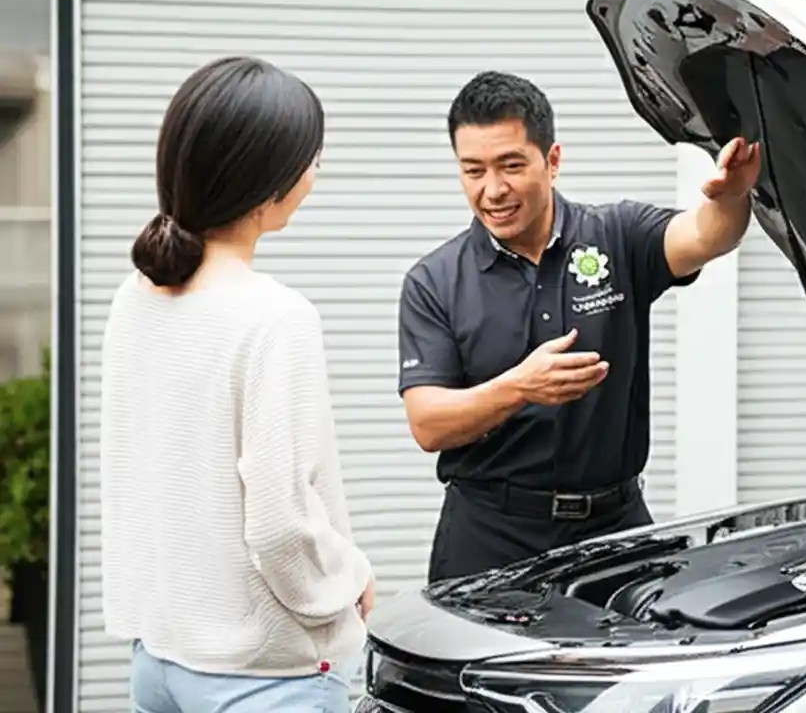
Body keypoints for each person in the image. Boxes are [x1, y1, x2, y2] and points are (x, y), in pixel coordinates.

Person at [397, 70, 760, 581]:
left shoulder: (617, 236)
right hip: (489, 533)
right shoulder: (434, 281)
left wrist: (733, 196)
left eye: (511, 165)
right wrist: (519, 387)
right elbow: (428, 423)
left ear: (553, 161)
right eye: (472, 170)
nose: (493, 190)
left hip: (614, 529)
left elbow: (705, 235)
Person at [98, 56, 375, 713]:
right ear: (266, 184)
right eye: (310, 158)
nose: (316, 173)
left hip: (160, 657)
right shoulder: (276, 317)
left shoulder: (134, 298)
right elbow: (280, 526)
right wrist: (348, 579)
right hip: (264, 678)